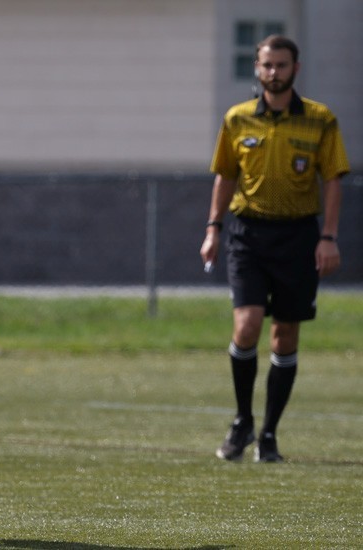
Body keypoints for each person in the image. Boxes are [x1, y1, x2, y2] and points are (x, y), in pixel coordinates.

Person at [200, 35, 349, 463]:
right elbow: (224, 175)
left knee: (284, 336)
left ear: (295, 69)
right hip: (247, 235)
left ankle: (268, 435)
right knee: (246, 327)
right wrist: (213, 228)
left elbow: (333, 179)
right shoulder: (238, 118)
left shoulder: (321, 120)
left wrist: (329, 237)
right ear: (257, 68)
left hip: (299, 236)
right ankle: (242, 420)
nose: (274, 73)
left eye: (281, 65)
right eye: (267, 65)